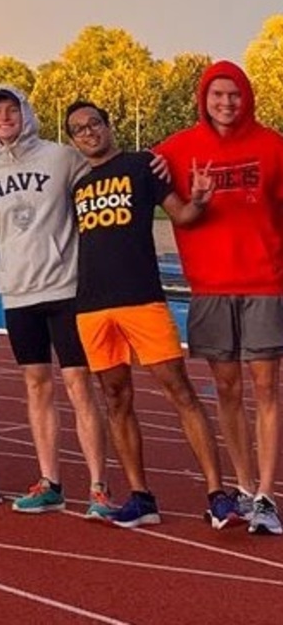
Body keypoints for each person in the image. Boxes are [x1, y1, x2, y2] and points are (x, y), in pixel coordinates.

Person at [66, 101, 238, 530]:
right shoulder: (78, 183)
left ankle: (217, 494)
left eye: (94, 124)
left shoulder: (142, 165)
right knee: (116, 399)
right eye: (79, 130)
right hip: (91, 305)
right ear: (72, 140)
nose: (88, 133)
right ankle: (141, 497)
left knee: (178, 392)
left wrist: (200, 200)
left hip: (141, 298)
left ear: (109, 125)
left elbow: (182, 213)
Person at [155, 60, 283, 535]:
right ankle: (245, 488)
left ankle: (268, 495)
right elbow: (131, 176)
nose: (226, 103)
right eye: (217, 95)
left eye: (234, 95)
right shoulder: (175, 150)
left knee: (268, 388)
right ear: (203, 100)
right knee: (227, 389)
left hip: (263, 282)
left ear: (246, 97)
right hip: (209, 286)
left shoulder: (271, 146)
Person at [0, 86, 112, 517]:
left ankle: (98, 486)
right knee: (36, 386)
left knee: (79, 387)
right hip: (19, 294)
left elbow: (101, 177)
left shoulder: (60, 157)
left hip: (66, 289)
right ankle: (50, 481)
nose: (3, 116)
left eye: (10, 108)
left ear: (25, 112)